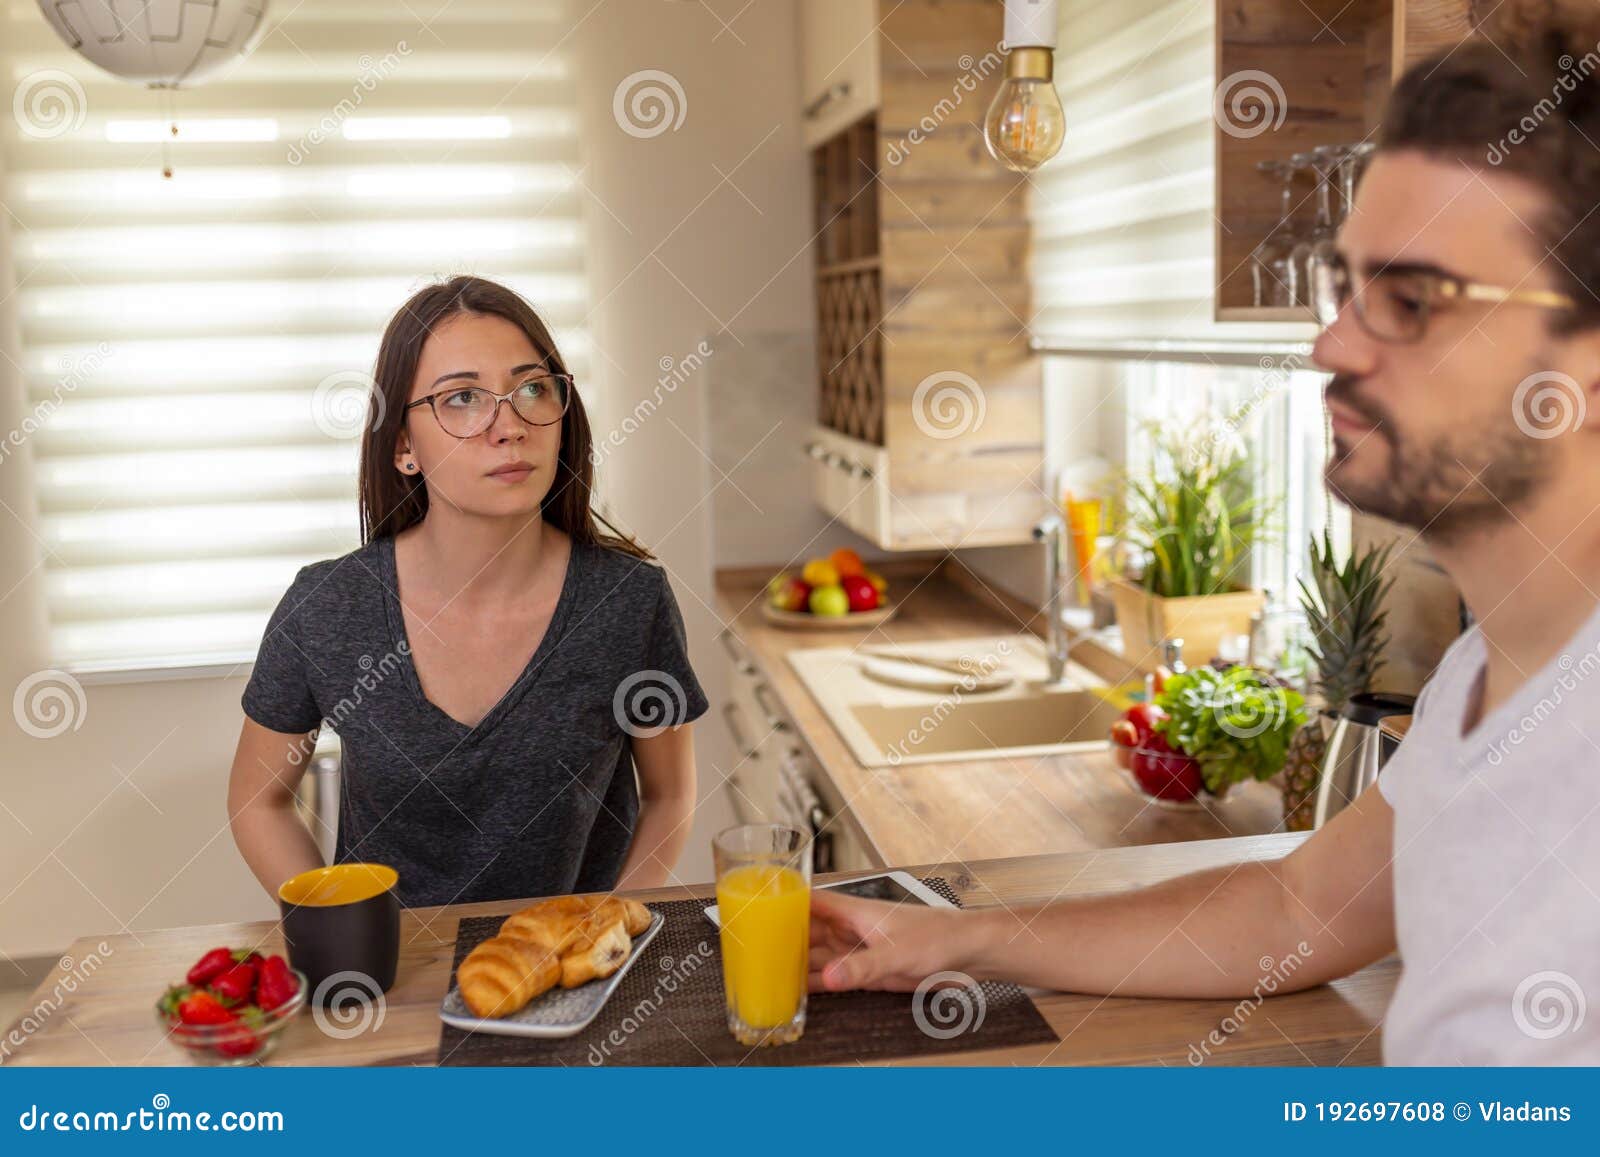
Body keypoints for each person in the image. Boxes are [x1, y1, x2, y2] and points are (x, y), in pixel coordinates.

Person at [809, 1, 1600, 1064]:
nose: (1329, 343)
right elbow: (1295, 907)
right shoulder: (1485, 672)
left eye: (1411, 299)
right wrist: (963, 937)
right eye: (1343, 285)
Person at [228, 276, 706, 909]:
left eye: (532, 388)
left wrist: (609, 923)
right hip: (390, 987)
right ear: (403, 446)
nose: (508, 426)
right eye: (462, 399)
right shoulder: (327, 606)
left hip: (575, 983)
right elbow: (257, 800)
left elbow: (669, 797)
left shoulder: (627, 603)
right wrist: (342, 926)